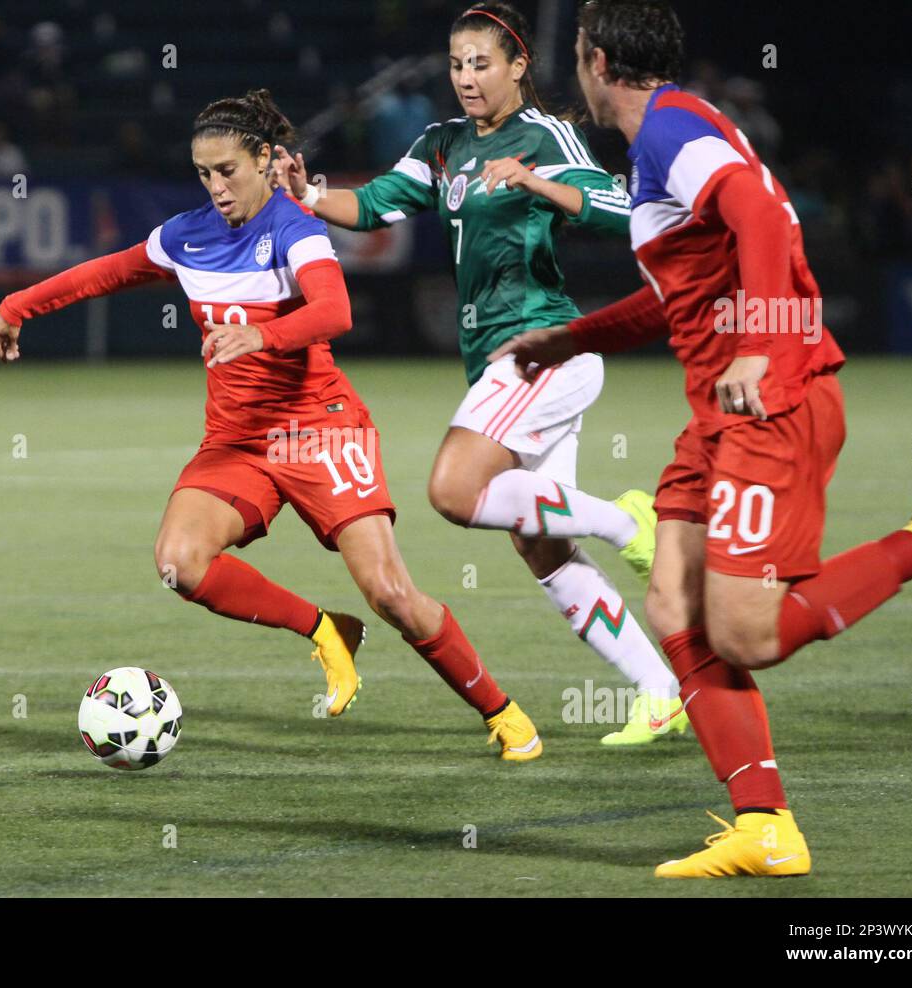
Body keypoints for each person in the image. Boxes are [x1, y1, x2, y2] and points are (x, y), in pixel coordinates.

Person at [495, 0, 912, 876]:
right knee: (676, 609)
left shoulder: (673, 125)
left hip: (771, 402)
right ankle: (764, 827)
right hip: (720, 414)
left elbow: (753, 208)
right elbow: (674, 297)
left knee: (745, 636)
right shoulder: (660, 148)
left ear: (596, 60)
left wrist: (755, 344)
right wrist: (573, 337)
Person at [0, 89, 543, 760]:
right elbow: (106, 273)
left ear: (264, 159)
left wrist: (262, 334)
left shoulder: (294, 227)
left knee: (392, 594)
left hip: (320, 430)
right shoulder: (185, 237)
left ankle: (503, 713)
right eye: (203, 173)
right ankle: (324, 630)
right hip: (238, 443)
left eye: (228, 170)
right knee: (181, 564)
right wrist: (19, 304)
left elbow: (334, 311)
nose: (216, 186)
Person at [273, 2, 689, 746]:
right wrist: (308, 195)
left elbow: (620, 208)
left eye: (482, 63)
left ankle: (630, 521)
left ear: (519, 65)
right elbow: (371, 207)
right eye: (457, 63)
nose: (466, 78)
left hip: (541, 350)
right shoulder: (442, 145)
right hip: (499, 364)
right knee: (539, 543)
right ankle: (661, 689)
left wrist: (535, 182)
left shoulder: (546, 136)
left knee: (453, 490)